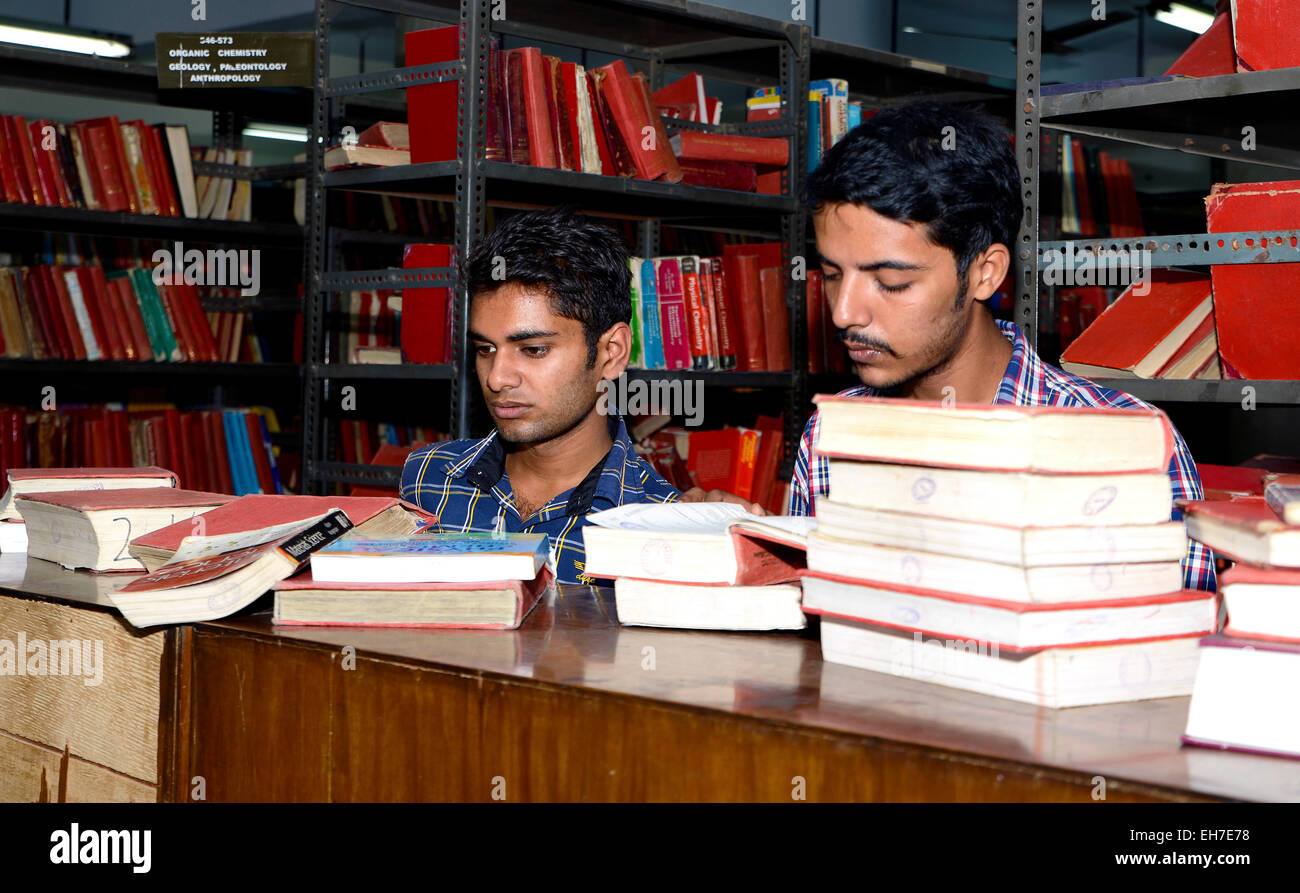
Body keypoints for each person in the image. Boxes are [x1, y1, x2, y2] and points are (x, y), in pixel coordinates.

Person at [790, 102, 1215, 592]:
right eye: (830, 275)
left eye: (889, 282)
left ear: (984, 273)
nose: (845, 314)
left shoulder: (1128, 445)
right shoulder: (831, 434)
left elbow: (1174, 645)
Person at [400, 207, 756, 586]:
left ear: (612, 352)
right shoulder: (428, 478)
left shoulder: (661, 526)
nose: (497, 377)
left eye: (533, 349)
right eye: (486, 349)